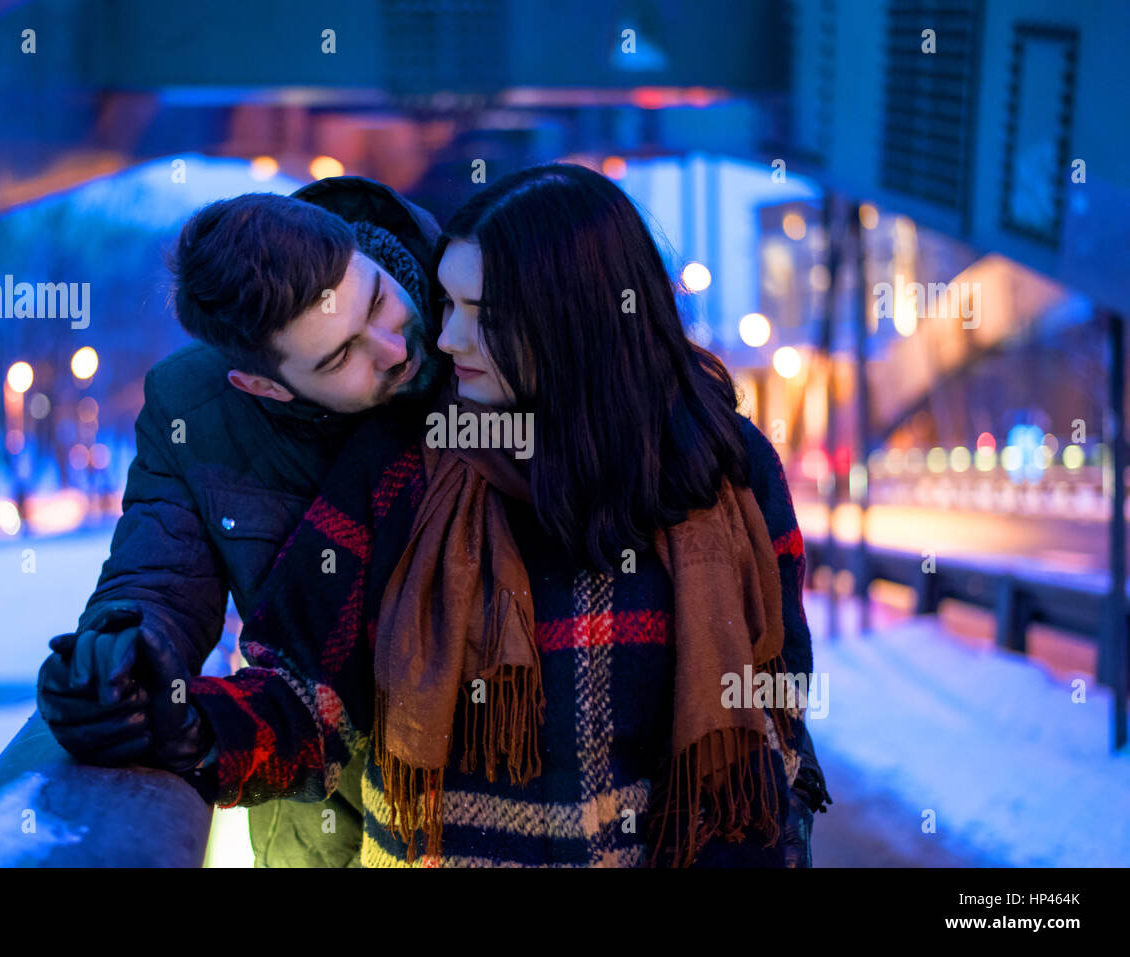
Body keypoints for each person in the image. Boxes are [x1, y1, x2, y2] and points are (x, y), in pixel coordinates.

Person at [142, 163, 831, 866]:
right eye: (447, 303)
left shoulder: (724, 466)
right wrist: (181, 722)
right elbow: (304, 692)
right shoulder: (407, 456)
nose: (444, 341)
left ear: (572, 321)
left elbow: (775, 710)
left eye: (485, 317)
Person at [36, 176, 446, 867]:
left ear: (367, 250)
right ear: (262, 384)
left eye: (378, 297)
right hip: (322, 828)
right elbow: (160, 582)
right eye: (342, 355)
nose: (394, 348)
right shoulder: (191, 412)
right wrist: (118, 662)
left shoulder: (483, 323)